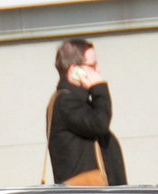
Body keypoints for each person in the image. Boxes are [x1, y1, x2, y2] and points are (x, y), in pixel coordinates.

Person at [45, 38, 128, 186]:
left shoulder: (77, 102)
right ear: (74, 70)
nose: (98, 70)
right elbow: (99, 124)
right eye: (93, 65)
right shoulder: (66, 102)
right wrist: (99, 90)